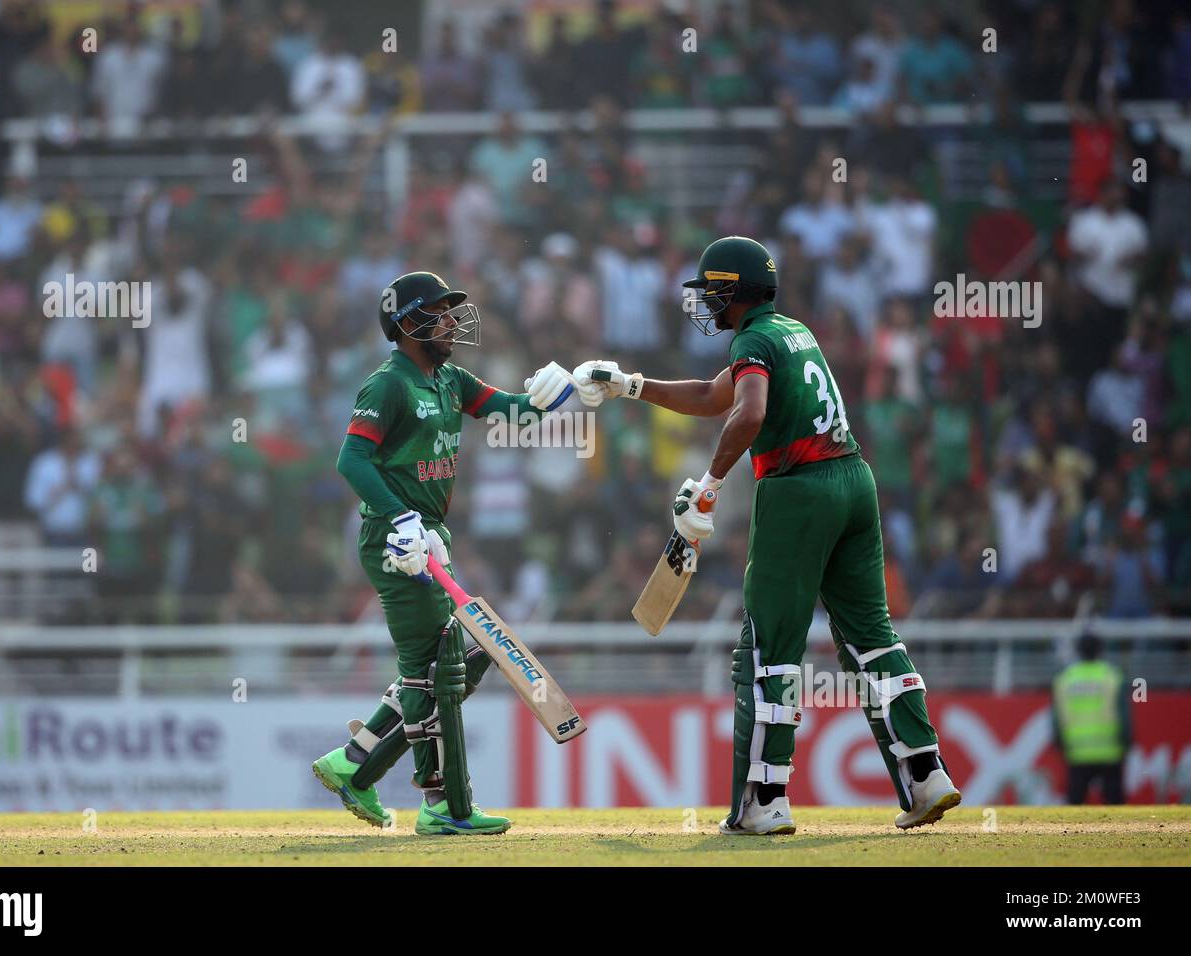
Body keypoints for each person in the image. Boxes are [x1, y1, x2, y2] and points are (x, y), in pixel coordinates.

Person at [555, 236, 961, 834]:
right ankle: (926, 775)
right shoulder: (792, 332)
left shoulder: (752, 340)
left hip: (799, 490)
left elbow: (747, 413)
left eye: (711, 290)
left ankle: (764, 802)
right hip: (853, 481)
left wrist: (710, 483)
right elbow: (713, 396)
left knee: (768, 649)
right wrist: (629, 384)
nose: (703, 302)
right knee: (871, 635)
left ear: (734, 291)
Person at [314, 271, 574, 836]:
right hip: (397, 541)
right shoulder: (388, 385)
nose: (453, 321)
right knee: (438, 669)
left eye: (453, 311)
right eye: (439, 312)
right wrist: (400, 518)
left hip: (429, 534)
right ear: (409, 324)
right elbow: (351, 461)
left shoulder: (449, 378)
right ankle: (438, 804)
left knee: (441, 664)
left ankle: (355, 761)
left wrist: (565, 393)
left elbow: (511, 411)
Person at [1051, 632, 1131, 804]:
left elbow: (1057, 716)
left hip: (1077, 751)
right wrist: (1126, 742)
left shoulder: (1065, 679)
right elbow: (1124, 715)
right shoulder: (1113, 676)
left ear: (1078, 651)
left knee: (1074, 806)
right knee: (1116, 807)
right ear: (1100, 650)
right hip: (1110, 750)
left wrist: (1059, 743)